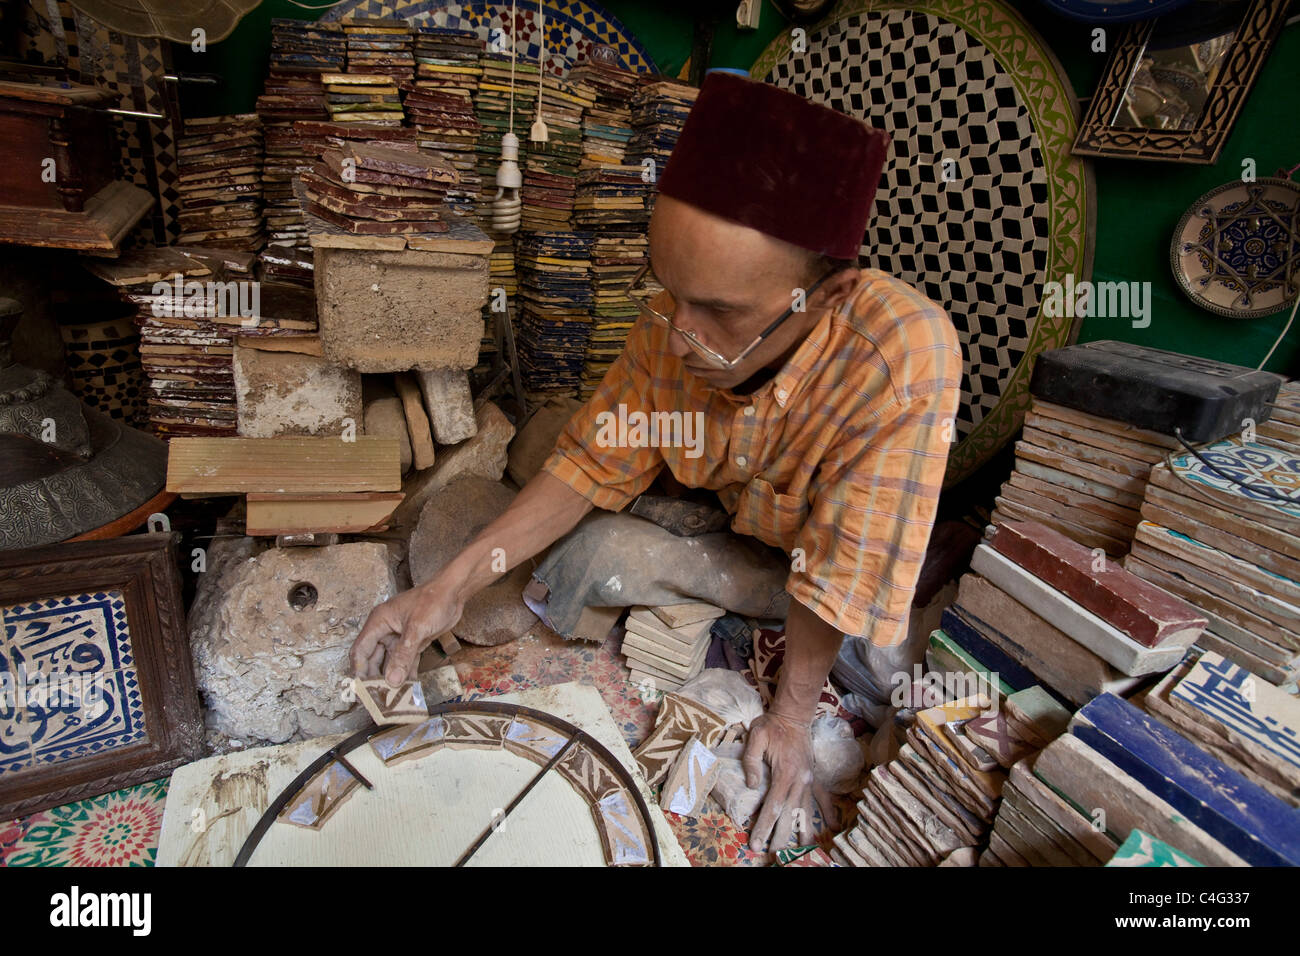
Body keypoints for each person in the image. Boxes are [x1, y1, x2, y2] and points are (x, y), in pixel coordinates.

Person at [351, 72, 963, 853]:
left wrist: (788, 718)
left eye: (720, 313)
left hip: (801, 551)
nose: (678, 335)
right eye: (670, 293)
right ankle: (691, 549)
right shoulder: (676, 320)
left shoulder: (901, 360)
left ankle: (724, 578)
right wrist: (444, 592)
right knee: (549, 460)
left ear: (829, 297)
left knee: (619, 563)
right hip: (712, 499)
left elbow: (843, 571)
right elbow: (589, 458)